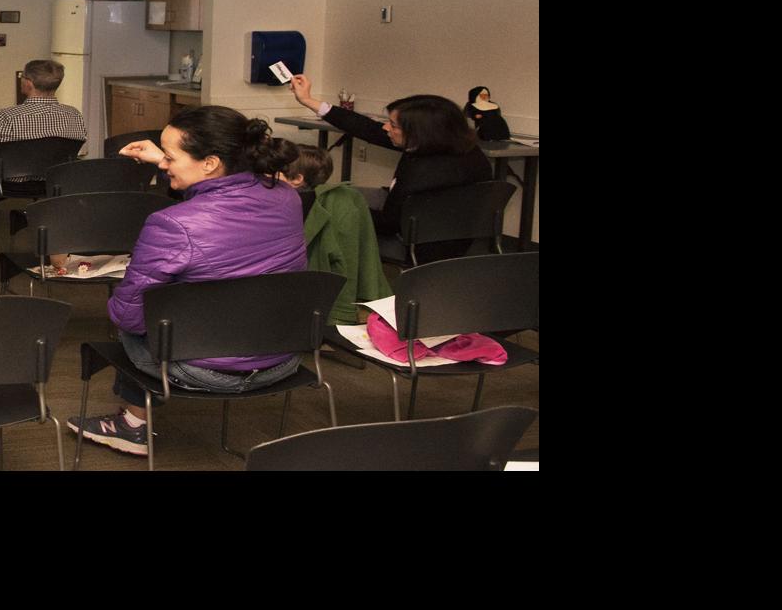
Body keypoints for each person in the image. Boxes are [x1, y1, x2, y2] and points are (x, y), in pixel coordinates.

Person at [66, 106, 305, 457]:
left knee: (132, 310)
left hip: (205, 368)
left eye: (170, 157)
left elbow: (128, 318)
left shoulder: (171, 224)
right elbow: (219, 204)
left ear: (209, 163)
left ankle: (131, 425)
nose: (163, 164)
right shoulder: (287, 198)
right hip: (283, 357)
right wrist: (166, 160)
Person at [287, 73, 489, 253]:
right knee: (341, 197)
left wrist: (342, 211)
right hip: (458, 240)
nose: (385, 128)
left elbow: (388, 224)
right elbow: (367, 128)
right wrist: (308, 100)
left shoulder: (418, 173)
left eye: (392, 125)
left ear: (418, 133)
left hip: (412, 244)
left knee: (323, 203)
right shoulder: (467, 152)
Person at [283, 147, 389, 326]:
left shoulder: (291, 207)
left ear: (296, 179)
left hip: (301, 295)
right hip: (326, 294)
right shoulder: (341, 200)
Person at [0, 59, 85, 168]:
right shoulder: (74, 115)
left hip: (6, 187)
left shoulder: (5, 117)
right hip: (55, 185)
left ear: (28, 83)